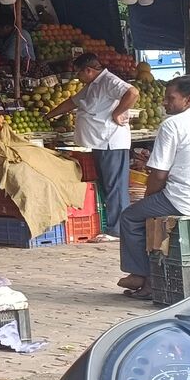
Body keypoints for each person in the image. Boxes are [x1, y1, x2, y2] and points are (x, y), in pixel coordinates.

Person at [114, 76, 190, 299]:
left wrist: (148, 198)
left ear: (189, 100)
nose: (165, 103)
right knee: (150, 212)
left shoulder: (172, 125)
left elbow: (158, 174)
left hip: (187, 200)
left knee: (131, 217)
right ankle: (146, 277)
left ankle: (142, 276)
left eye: (171, 98)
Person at [49, 52, 138, 242]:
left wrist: (118, 112)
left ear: (88, 70)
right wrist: (48, 116)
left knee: (115, 186)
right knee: (107, 185)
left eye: (79, 73)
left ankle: (117, 231)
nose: (78, 77)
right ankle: (111, 226)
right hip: (100, 143)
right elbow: (71, 102)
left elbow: (133, 93)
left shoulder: (109, 81)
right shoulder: (93, 86)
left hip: (111, 142)